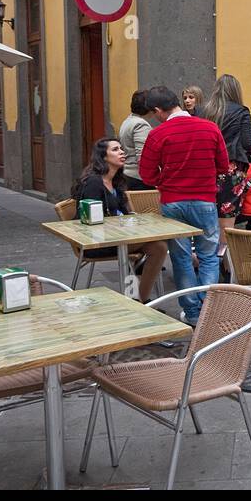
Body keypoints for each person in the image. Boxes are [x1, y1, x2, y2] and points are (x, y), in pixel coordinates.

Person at [138, 85, 229, 326]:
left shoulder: (158, 134)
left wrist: (164, 181)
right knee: (209, 256)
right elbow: (223, 165)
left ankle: (192, 313)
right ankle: (207, 307)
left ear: (158, 110)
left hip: (173, 202)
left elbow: (146, 174)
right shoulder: (210, 128)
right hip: (205, 201)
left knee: (181, 258)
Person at [71, 137, 167, 300]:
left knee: (160, 246)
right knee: (158, 241)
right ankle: (133, 292)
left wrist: (131, 219)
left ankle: (139, 298)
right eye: (115, 149)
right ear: (103, 156)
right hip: (98, 241)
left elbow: (122, 212)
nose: (122, 152)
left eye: (121, 148)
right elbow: (89, 219)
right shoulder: (94, 183)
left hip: (121, 237)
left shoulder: (116, 181)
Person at [203, 74, 251, 236]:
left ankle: (208, 258)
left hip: (207, 167)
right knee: (227, 218)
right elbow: (248, 144)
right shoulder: (241, 111)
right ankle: (224, 259)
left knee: (207, 215)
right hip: (231, 169)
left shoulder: (204, 111)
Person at [117, 89, 153, 191]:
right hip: (138, 178)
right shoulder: (141, 124)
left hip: (128, 175)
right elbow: (143, 156)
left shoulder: (128, 121)